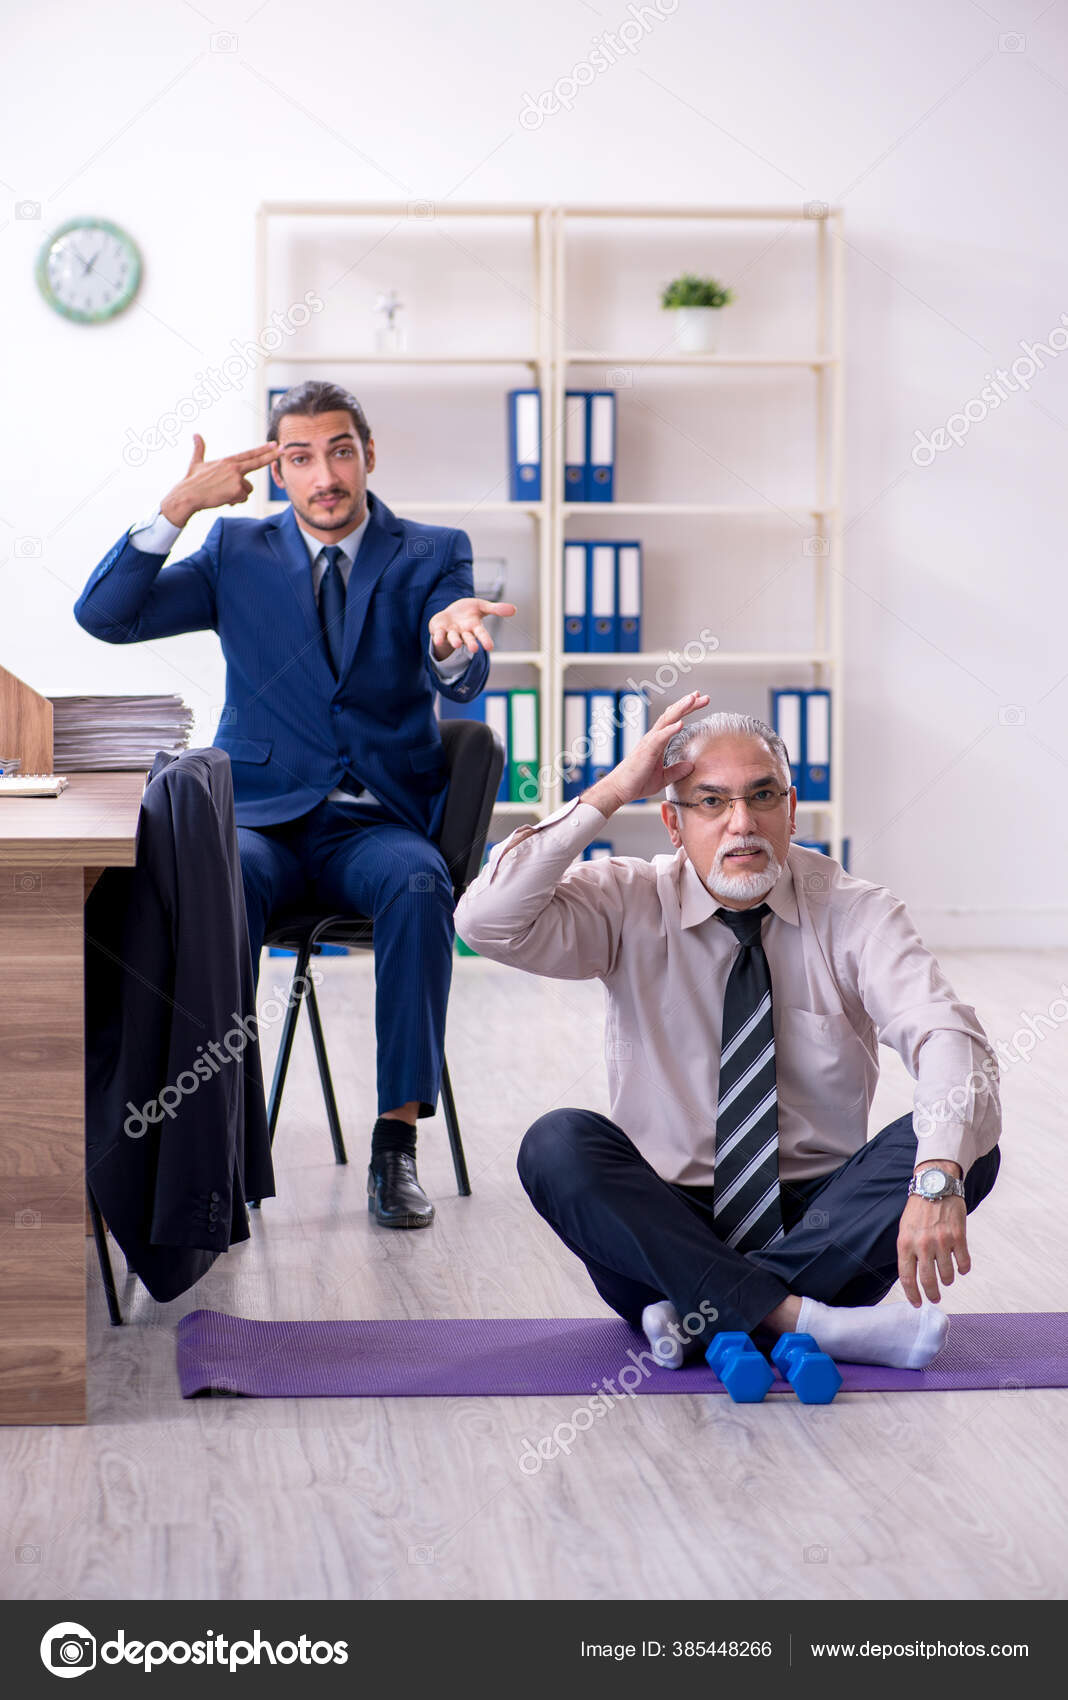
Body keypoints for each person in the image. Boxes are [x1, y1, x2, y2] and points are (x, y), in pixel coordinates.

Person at [75, 379, 515, 1231]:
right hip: (260, 821)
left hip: (374, 825)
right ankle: (217, 1149)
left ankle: (395, 1148)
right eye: (302, 457)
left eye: (341, 451)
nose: (326, 475)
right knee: (219, 885)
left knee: (421, 884)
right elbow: (106, 618)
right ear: (278, 472)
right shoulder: (235, 550)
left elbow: (459, 664)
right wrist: (176, 510)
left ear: (369, 455)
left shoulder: (431, 552)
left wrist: (451, 645)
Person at [454, 693, 1001, 1369]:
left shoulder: (855, 910)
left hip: (821, 1222)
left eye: (762, 796)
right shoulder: (626, 898)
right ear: (673, 823)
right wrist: (612, 790)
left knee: (963, 1140)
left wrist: (938, 1175)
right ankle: (810, 1323)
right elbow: (485, 922)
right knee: (556, 1142)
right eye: (711, 802)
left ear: (791, 810)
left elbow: (947, 1037)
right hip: (659, 1224)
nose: (742, 823)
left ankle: (700, 1315)